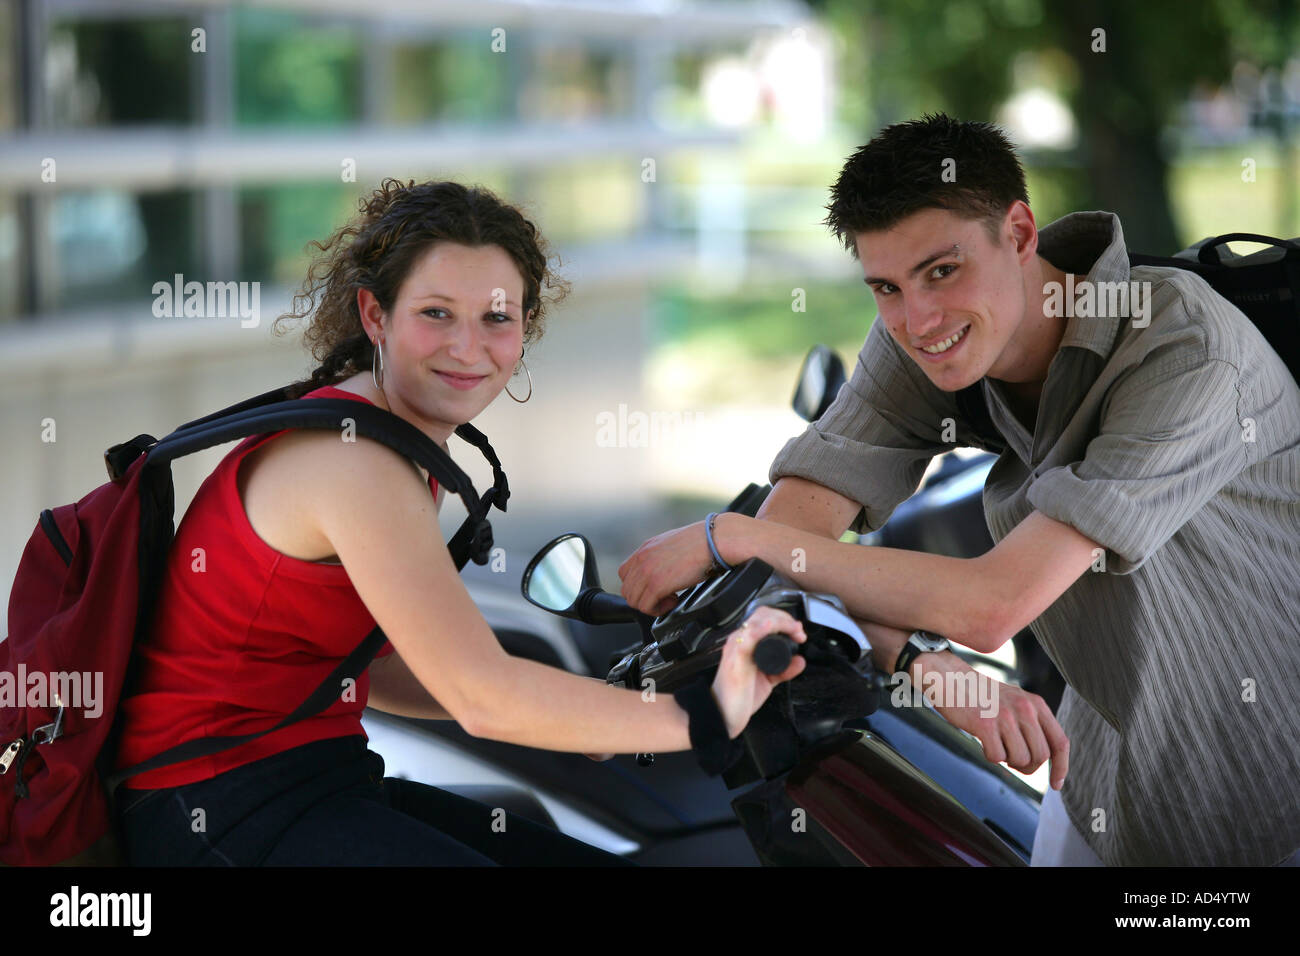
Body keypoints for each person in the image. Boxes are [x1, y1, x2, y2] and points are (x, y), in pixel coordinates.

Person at [617, 115, 1300, 867]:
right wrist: (917, 663)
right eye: (886, 287)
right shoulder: (927, 340)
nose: (918, 321)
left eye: (943, 271)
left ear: (1019, 231)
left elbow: (991, 605)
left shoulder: (1187, 351)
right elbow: (788, 564)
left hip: (1268, 796)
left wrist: (736, 532)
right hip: (1106, 778)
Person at [111, 178, 807, 866]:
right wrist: (704, 714)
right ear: (375, 315)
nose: (468, 348)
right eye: (436, 313)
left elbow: (370, 669)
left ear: (524, 328)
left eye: (497, 318)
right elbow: (480, 697)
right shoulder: (353, 464)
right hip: (213, 805)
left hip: (316, 776)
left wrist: (589, 714)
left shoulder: (391, 439)